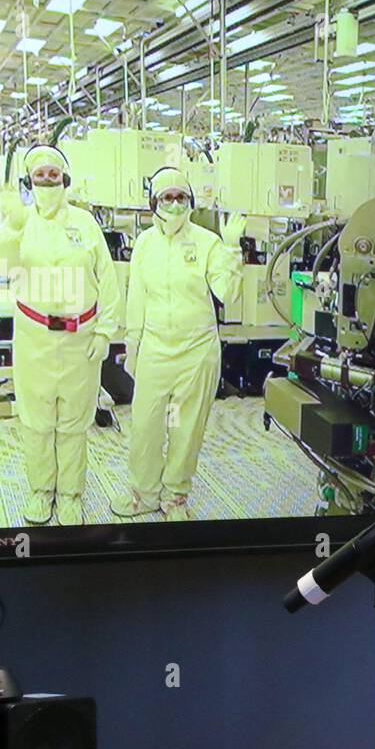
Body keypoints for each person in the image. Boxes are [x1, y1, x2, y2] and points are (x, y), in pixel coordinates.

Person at [0, 145, 122, 526]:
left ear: (65, 179)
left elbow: (107, 280)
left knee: (75, 421)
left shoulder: (85, 222)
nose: (47, 180)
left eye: (53, 174)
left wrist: (106, 331)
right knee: (37, 420)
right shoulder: (21, 221)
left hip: (81, 337)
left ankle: (70, 493)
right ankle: (41, 491)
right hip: (35, 337)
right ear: (30, 180)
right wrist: (9, 229)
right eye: (39, 174)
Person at [112, 167, 245, 521]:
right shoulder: (144, 243)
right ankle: (143, 494)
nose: (173, 204)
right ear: (153, 202)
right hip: (155, 348)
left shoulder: (207, 242)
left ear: (191, 201)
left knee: (184, 428)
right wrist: (133, 347)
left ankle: (175, 498)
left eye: (180, 197)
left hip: (197, 351)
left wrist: (231, 248)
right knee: (146, 425)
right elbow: (136, 298)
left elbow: (226, 291)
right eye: (166, 197)